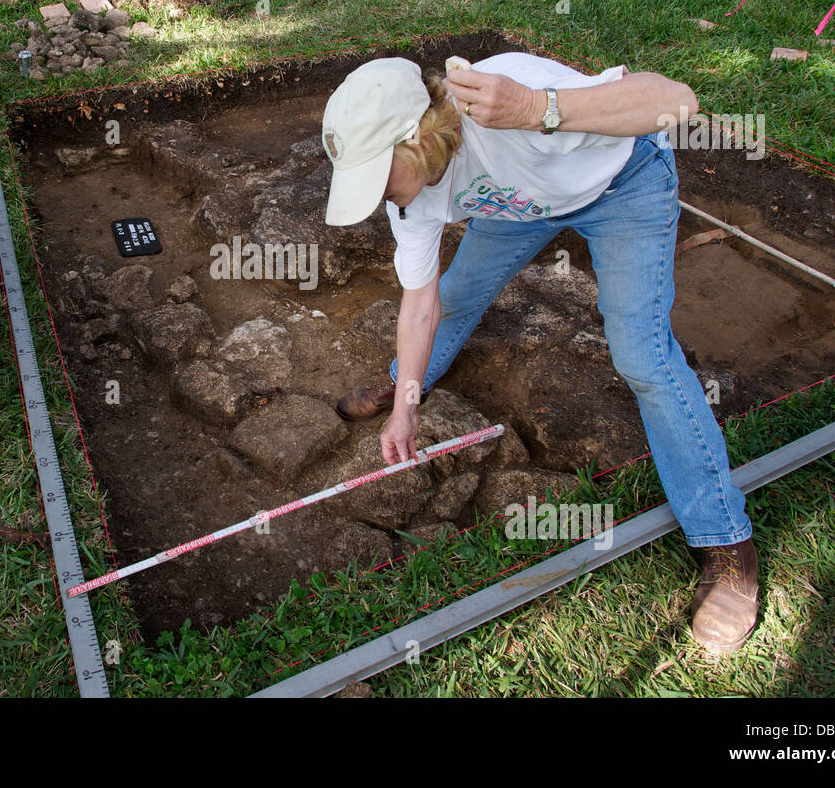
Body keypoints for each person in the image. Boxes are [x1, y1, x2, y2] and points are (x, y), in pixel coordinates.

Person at [321, 54, 758, 654]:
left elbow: (677, 99)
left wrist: (536, 108)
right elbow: (421, 305)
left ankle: (725, 543)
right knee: (453, 297)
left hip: (620, 181)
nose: (374, 198)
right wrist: (406, 404)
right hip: (519, 203)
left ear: (416, 140)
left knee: (642, 358)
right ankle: (401, 381)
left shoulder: (503, 101)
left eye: (376, 174)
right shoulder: (411, 194)